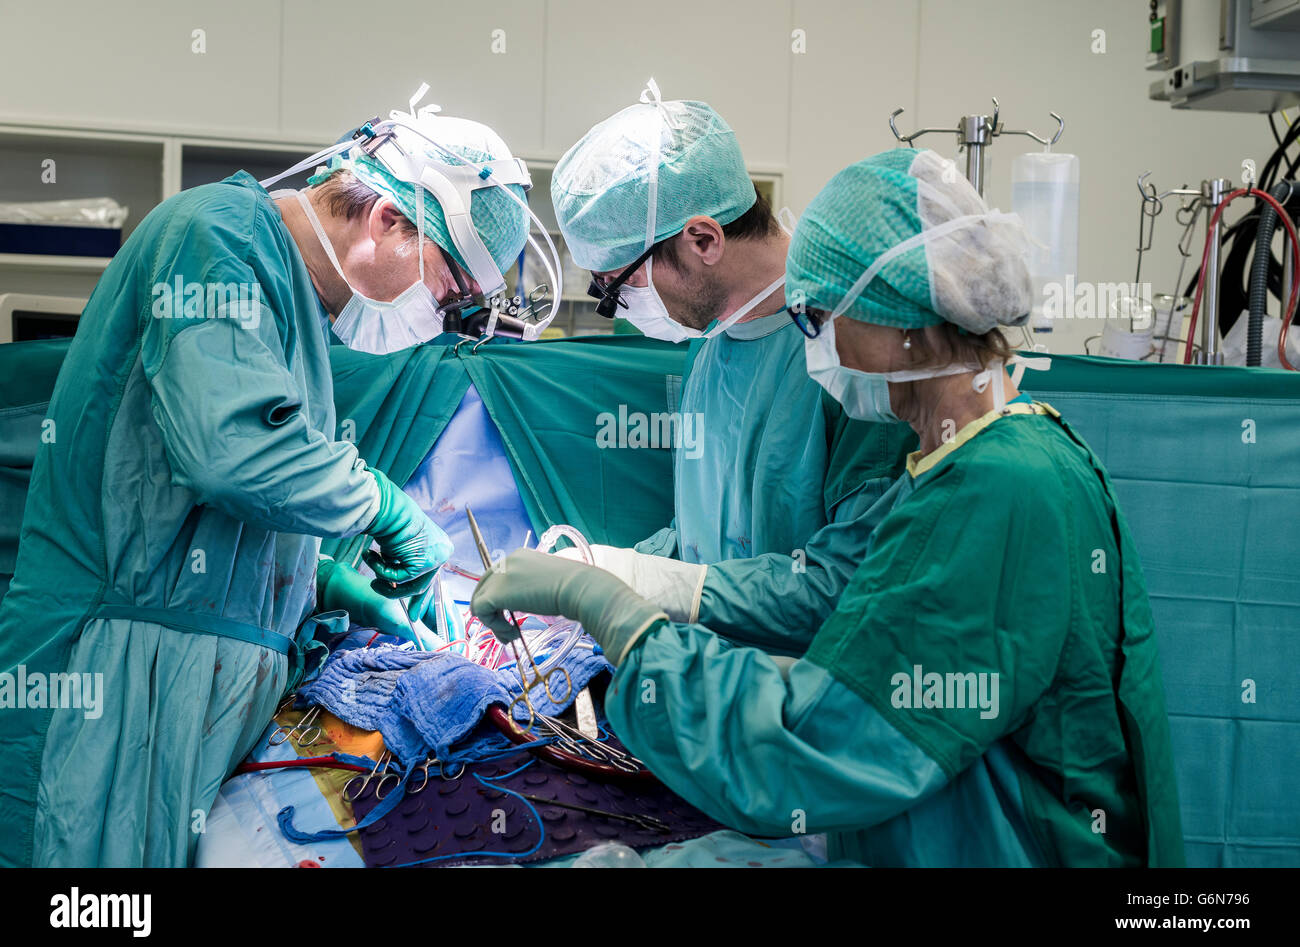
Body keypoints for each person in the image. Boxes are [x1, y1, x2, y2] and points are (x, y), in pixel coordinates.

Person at [473, 148, 1185, 866]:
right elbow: (870, 687)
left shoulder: (1001, 489)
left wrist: (622, 617)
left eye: (819, 316)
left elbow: (820, 741)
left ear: (895, 315)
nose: (814, 345)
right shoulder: (978, 460)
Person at [0, 97, 536, 867]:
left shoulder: (298, 308)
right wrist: (386, 507)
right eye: (445, 294)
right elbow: (229, 451)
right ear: (386, 219)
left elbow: (196, 520)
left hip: (174, 685)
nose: (438, 318)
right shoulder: (212, 239)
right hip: (101, 680)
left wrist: (317, 583)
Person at [547, 81, 913, 654]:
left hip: (803, 708)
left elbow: (851, 583)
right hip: (720, 690)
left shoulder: (854, 351)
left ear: (702, 239)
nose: (617, 306)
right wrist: (605, 571)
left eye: (619, 283)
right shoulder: (713, 342)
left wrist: (644, 583)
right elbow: (705, 546)